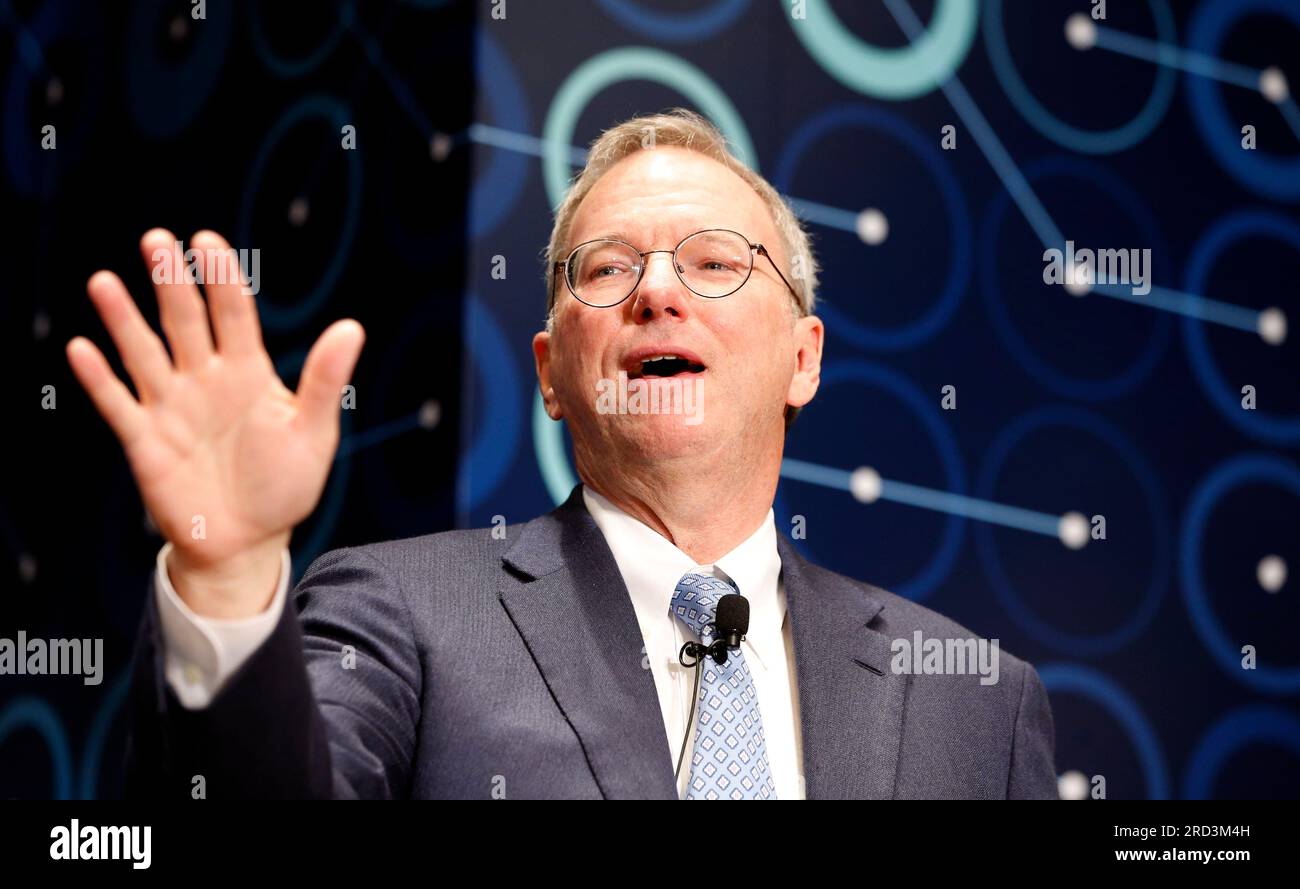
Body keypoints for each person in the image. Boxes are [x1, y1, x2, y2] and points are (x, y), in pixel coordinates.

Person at [67, 109, 1056, 799]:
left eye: (714, 262)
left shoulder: (976, 697)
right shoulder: (399, 614)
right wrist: (231, 571)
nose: (657, 293)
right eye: (608, 266)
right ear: (549, 373)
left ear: (803, 360)